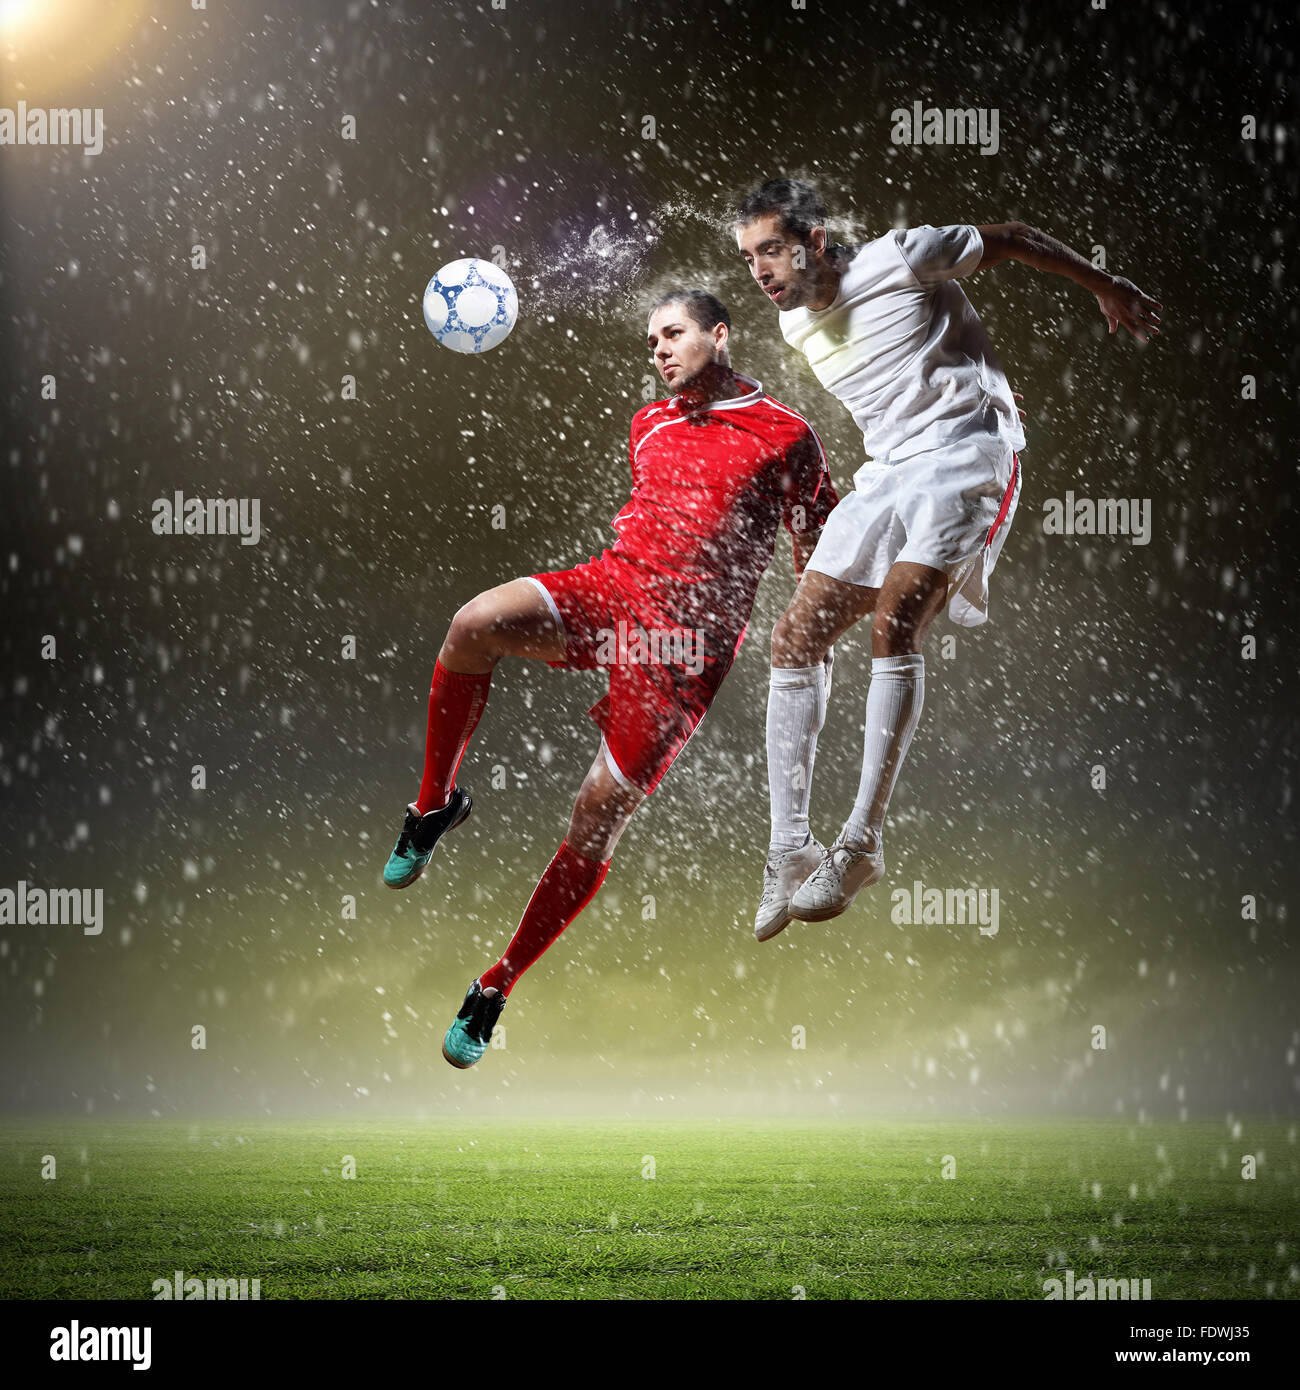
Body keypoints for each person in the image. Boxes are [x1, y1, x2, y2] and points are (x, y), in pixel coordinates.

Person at [384, 288, 838, 1068]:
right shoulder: (648, 424)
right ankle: (434, 806)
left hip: (684, 656)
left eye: (674, 334)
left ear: (719, 335)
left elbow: (821, 550)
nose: (659, 350)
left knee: (595, 815)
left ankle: (496, 985)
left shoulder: (787, 436)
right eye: (651, 339)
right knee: (470, 625)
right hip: (615, 590)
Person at [735, 178, 1161, 935]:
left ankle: (859, 843)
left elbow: (1017, 236)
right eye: (748, 258)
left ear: (816, 240)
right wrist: (982, 375)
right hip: (890, 471)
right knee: (793, 639)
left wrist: (1107, 286)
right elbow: (907, 374)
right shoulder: (801, 325)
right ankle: (789, 848)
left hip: (967, 458)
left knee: (895, 625)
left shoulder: (905, 257)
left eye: (771, 249)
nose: (760, 270)